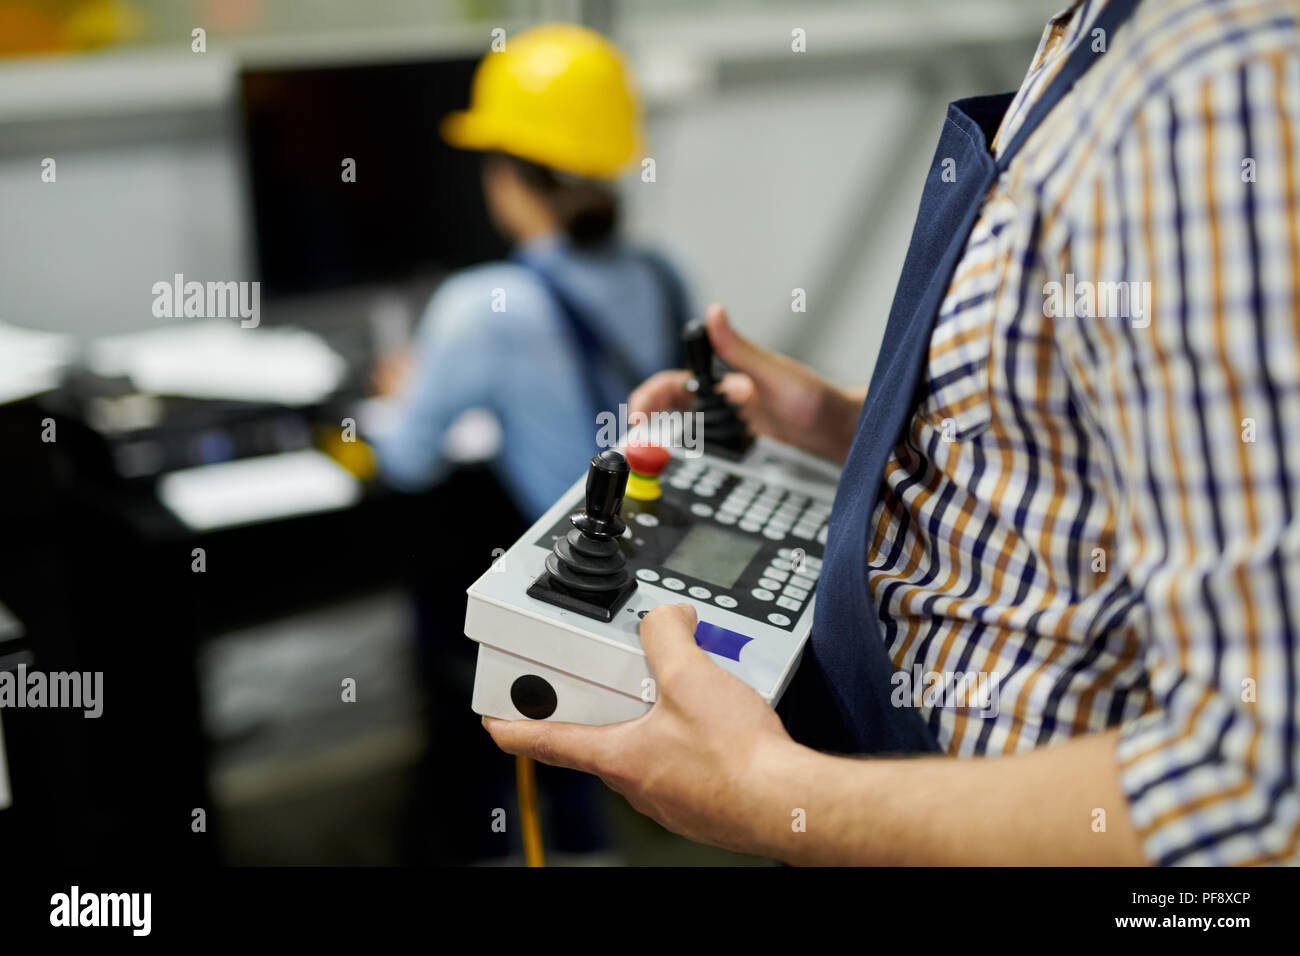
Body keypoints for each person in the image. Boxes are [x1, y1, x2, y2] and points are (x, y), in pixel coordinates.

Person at [485, 0, 1300, 865]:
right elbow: (1078, 443)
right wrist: (855, 424)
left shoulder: (1214, 86)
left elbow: (1255, 793)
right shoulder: (1092, 37)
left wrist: (769, 794)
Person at [368, 24, 689, 864]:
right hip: (642, 570)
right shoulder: (661, 272)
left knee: (445, 585)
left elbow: (406, 458)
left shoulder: (485, 304)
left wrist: (399, 394)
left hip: (558, 597)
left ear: (508, 176)